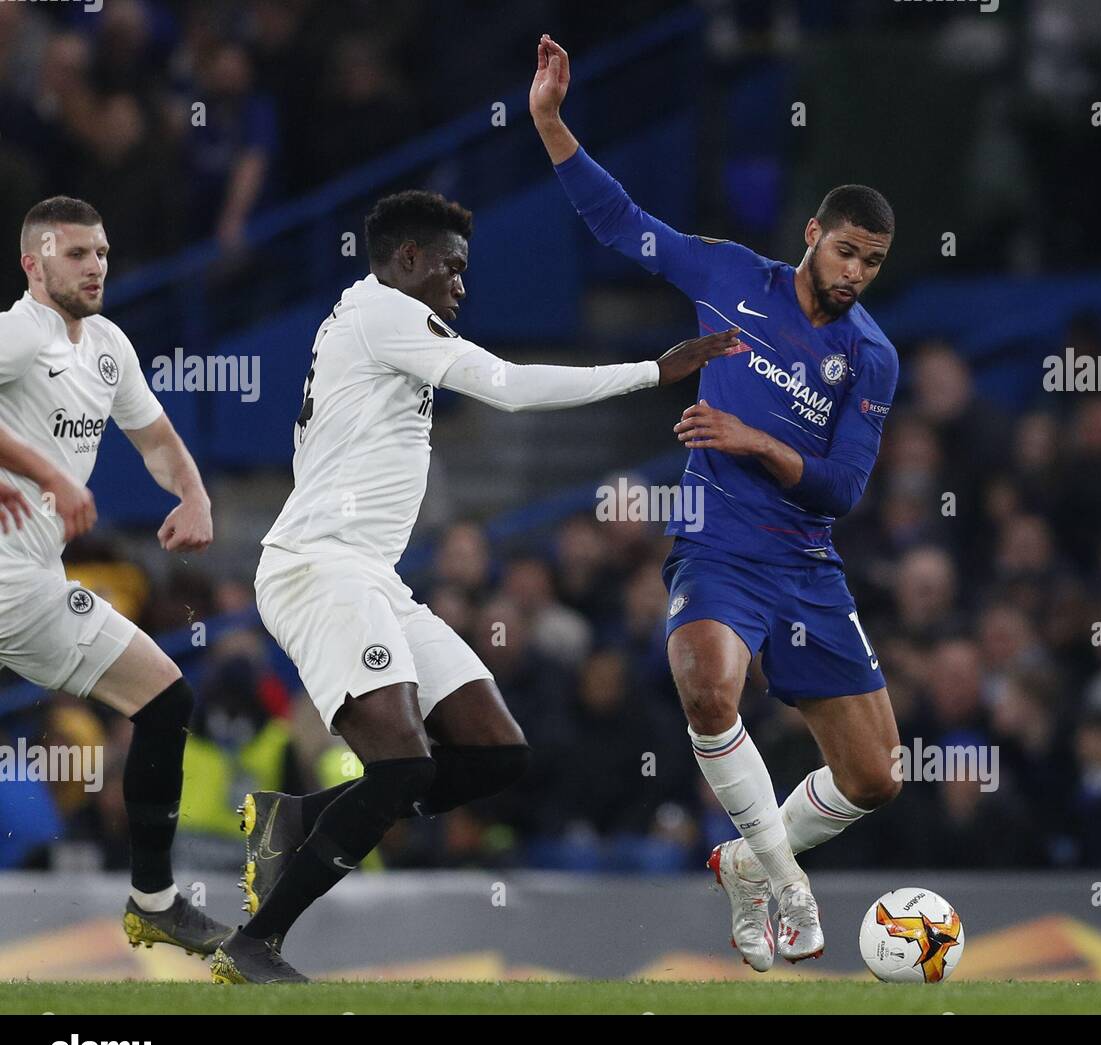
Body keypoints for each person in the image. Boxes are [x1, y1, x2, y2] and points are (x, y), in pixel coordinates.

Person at [211, 188, 739, 983]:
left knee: (495, 754)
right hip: (321, 563)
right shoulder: (385, 311)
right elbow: (509, 386)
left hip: (366, 573)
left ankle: (296, 820)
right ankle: (256, 941)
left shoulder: (365, 320)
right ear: (409, 259)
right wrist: (653, 371)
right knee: (404, 769)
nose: (462, 285)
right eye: (452, 268)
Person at [531, 34, 903, 969]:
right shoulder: (733, 276)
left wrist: (753, 439)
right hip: (720, 547)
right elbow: (624, 225)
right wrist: (550, 122)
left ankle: (746, 861)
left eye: (874, 262)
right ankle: (787, 885)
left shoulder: (872, 356)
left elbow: (845, 488)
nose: (856, 272)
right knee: (706, 688)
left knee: (875, 776)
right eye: (847, 250)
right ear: (813, 235)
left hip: (806, 561)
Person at [0, 196, 228, 958]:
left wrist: (192, 492)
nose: (96, 266)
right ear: (33, 264)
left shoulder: (108, 347)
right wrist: (49, 479)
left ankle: (154, 901)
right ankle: (154, 900)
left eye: (101, 252)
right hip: (7, 574)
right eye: (77, 254)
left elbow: (155, 437)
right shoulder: (18, 334)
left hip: (29, 580)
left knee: (165, 697)